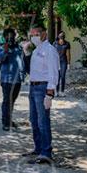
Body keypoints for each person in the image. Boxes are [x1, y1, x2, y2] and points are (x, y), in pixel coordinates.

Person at [21, 24, 59, 164]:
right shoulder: (36, 50)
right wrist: (26, 55)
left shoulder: (49, 50)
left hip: (43, 88)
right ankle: (38, 147)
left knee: (43, 121)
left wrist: (50, 93)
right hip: (33, 87)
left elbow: (53, 72)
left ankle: (46, 151)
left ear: (44, 34)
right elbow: (31, 71)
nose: (33, 37)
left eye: (36, 34)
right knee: (34, 119)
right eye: (32, 35)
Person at [0, 28, 25, 131]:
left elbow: (21, 61)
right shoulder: (1, 48)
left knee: (12, 101)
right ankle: (5, 122)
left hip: (17, 80)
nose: (10, 37)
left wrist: (23, 74)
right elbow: (0, 59)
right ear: (4, 37)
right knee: (7, 101)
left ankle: (9, 119)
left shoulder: (18, 48)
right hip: (6, 80)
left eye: (11, 35)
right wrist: (6, 51)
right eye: (7, 36)